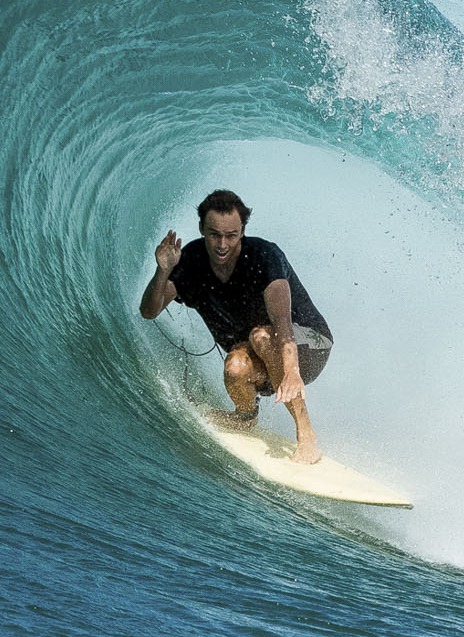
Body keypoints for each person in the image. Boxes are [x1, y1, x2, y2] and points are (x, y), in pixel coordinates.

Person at [140, 188, 335, 464]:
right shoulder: (191, 262)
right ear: (201, 229)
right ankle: (245, 417)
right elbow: (149, 311)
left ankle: (307, 435)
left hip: (310, 346)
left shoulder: (264, 257)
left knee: (260, 336)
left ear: (242, 231)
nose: (222, 244)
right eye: (214, 235)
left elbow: (282, 325)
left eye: (231, 235)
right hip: (267, 359)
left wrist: (292, 370)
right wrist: (163, 270)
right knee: (235, 365)